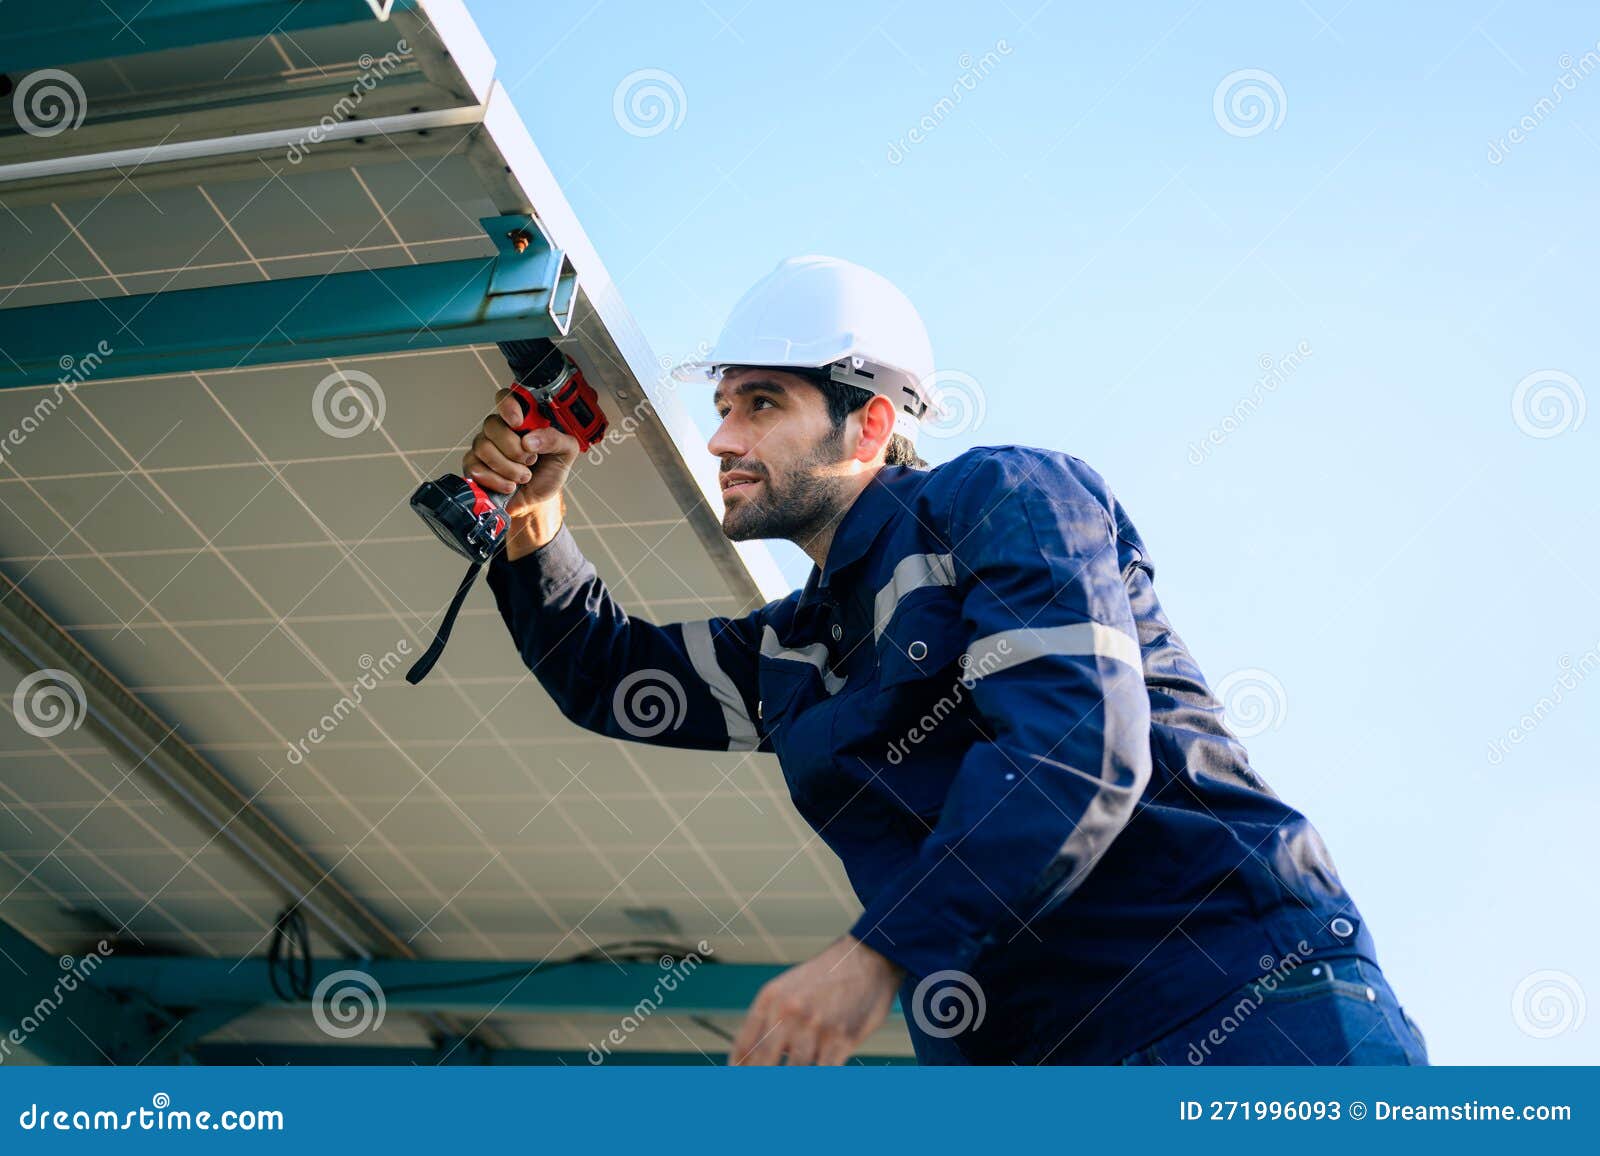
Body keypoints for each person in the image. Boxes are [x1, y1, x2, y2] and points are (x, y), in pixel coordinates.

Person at [470, 255, 1428, 1067]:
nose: (722, 437)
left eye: (762, 404)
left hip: (1248, 1011)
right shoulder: (793, 646)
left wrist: (875, 956)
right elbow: (607, 676)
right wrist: (531, 509)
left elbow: (1076, 745)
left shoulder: (1007, 496)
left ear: (873, 427)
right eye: (723, 407)